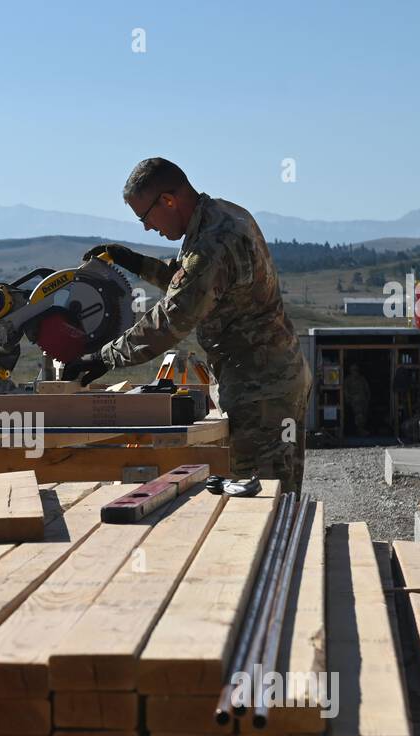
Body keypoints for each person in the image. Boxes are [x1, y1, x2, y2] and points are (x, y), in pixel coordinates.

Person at [63, 158, 313, 494]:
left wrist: (104, 358)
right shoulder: (221, 215)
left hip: (262, 391)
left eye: (144, 217)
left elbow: (173, 316)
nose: (147, 229)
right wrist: (134, 262)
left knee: (264, 501)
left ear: (168, 200)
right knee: (276, 495)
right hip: (270, 379)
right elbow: (194, 284)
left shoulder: (212, 243)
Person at [344, 364, 371, 436]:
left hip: (363, 401)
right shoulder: (348, 380)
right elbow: (346, 392)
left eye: (356, 370)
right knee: (358, 416)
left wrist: (367, 399)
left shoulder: (362, 379)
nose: (355, 372)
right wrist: (348, 400)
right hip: (354, 402)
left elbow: (367, 390)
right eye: (353, 370)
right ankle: (359, 430)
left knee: (364, 416)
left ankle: (361, 430)